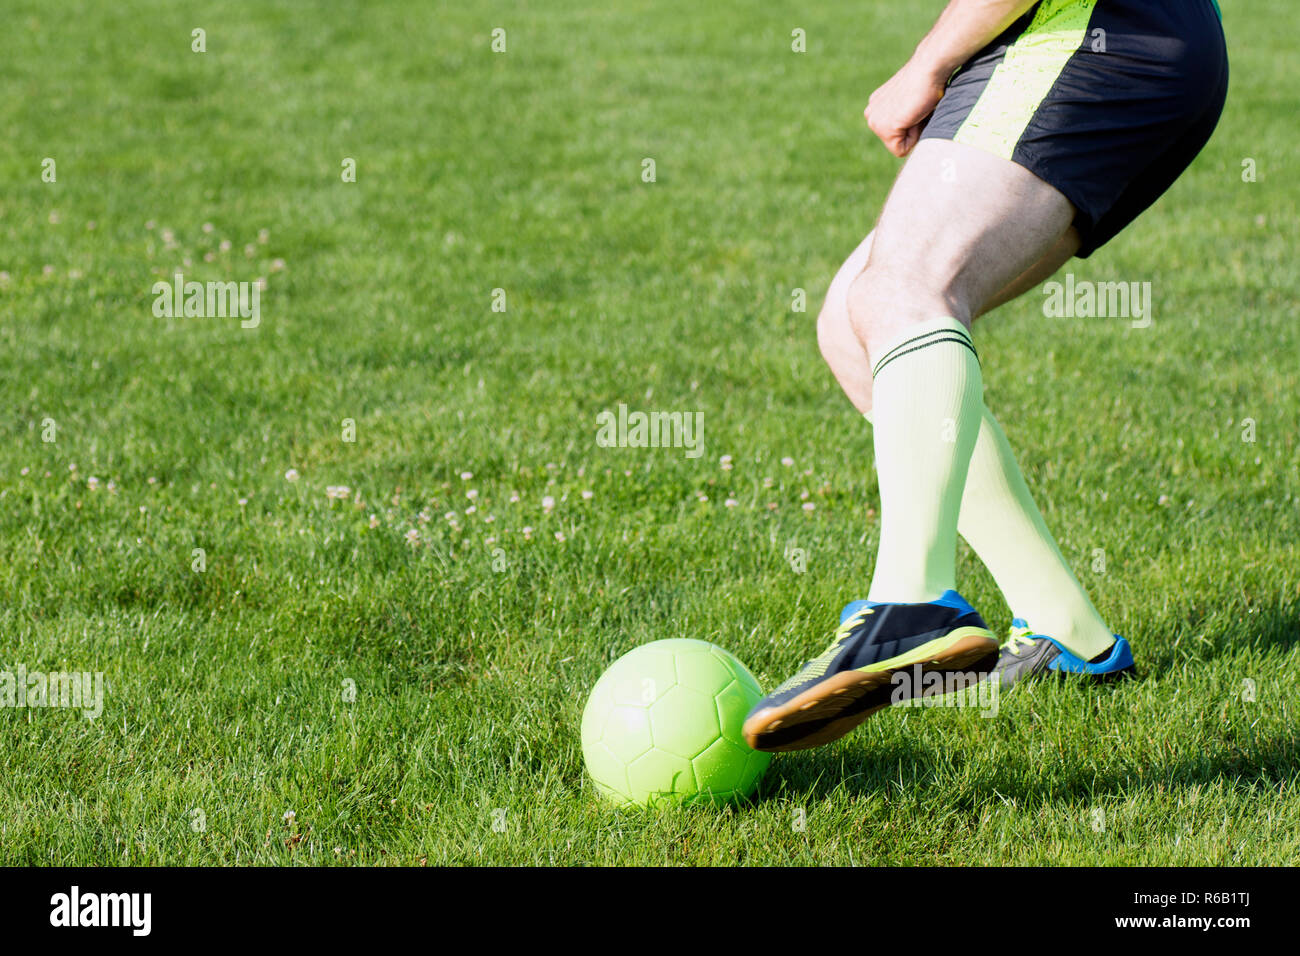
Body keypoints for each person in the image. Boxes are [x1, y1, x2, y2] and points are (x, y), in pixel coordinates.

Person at [743, 0, 1228, 752]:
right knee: (850, 322)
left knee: (904, 288)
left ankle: (911, 603)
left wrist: (926, 63)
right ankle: (1072, 638)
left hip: (1094, 29)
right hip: (1119, 38)